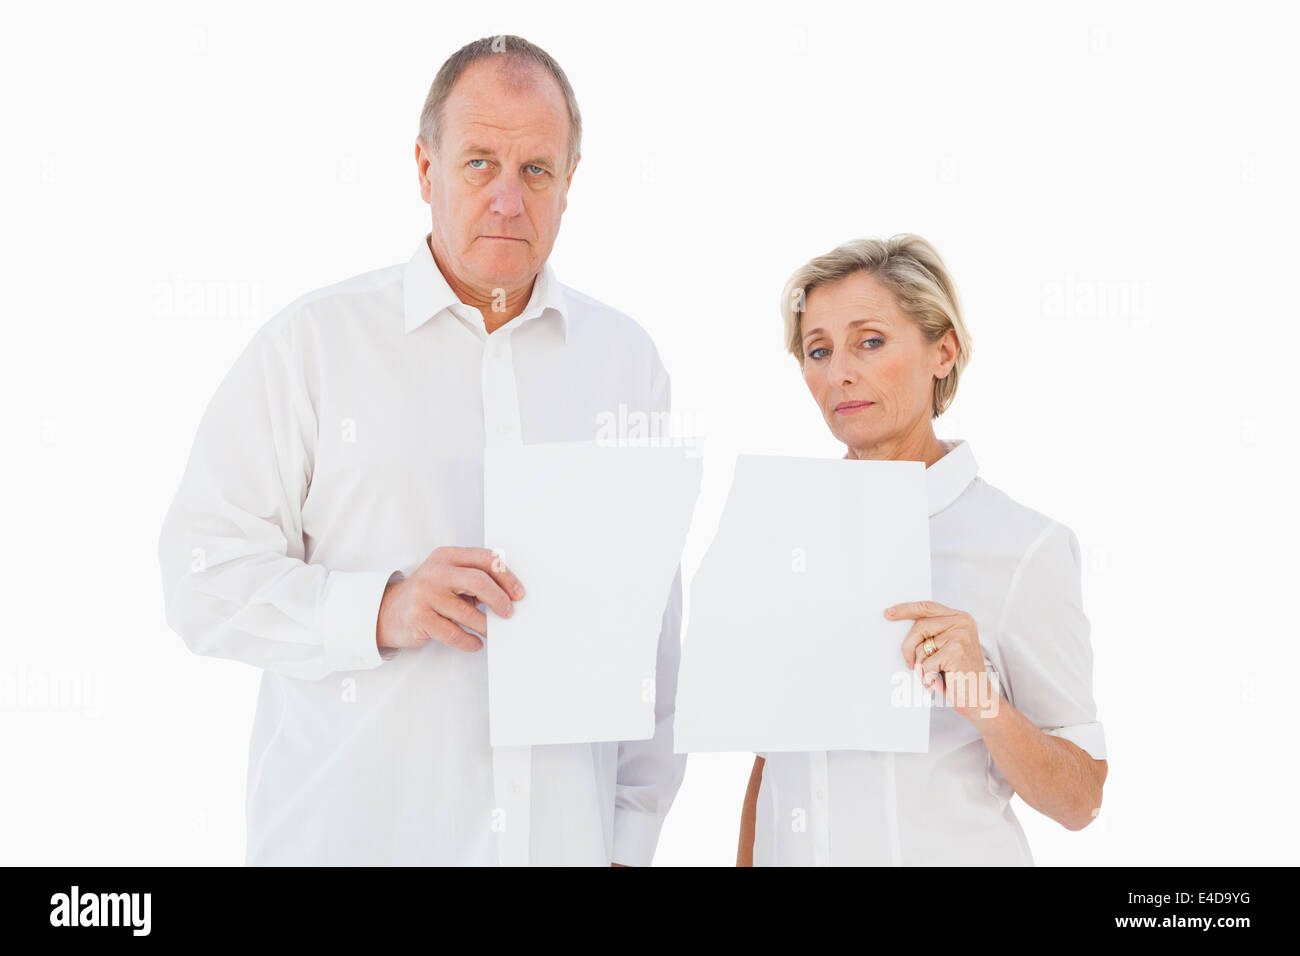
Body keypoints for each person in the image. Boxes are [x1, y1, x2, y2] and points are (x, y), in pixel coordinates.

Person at [158, 35, 685, 866]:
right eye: (480, 163)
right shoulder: (314, 346)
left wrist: (627, 838)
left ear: (571, 183)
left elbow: (652, 625)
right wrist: (382, 608)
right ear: (423, 168)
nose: (509, 200)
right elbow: (200, 576)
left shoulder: (627, 365)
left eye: (537, 171)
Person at [737, 235, 1107, 866]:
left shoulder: (1023, 547)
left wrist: (982, 699)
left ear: (944, 349)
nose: (839, 373)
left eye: (870, 341)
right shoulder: (783, 537)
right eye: (817, 350)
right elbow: (772, 762)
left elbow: (1081, 800)